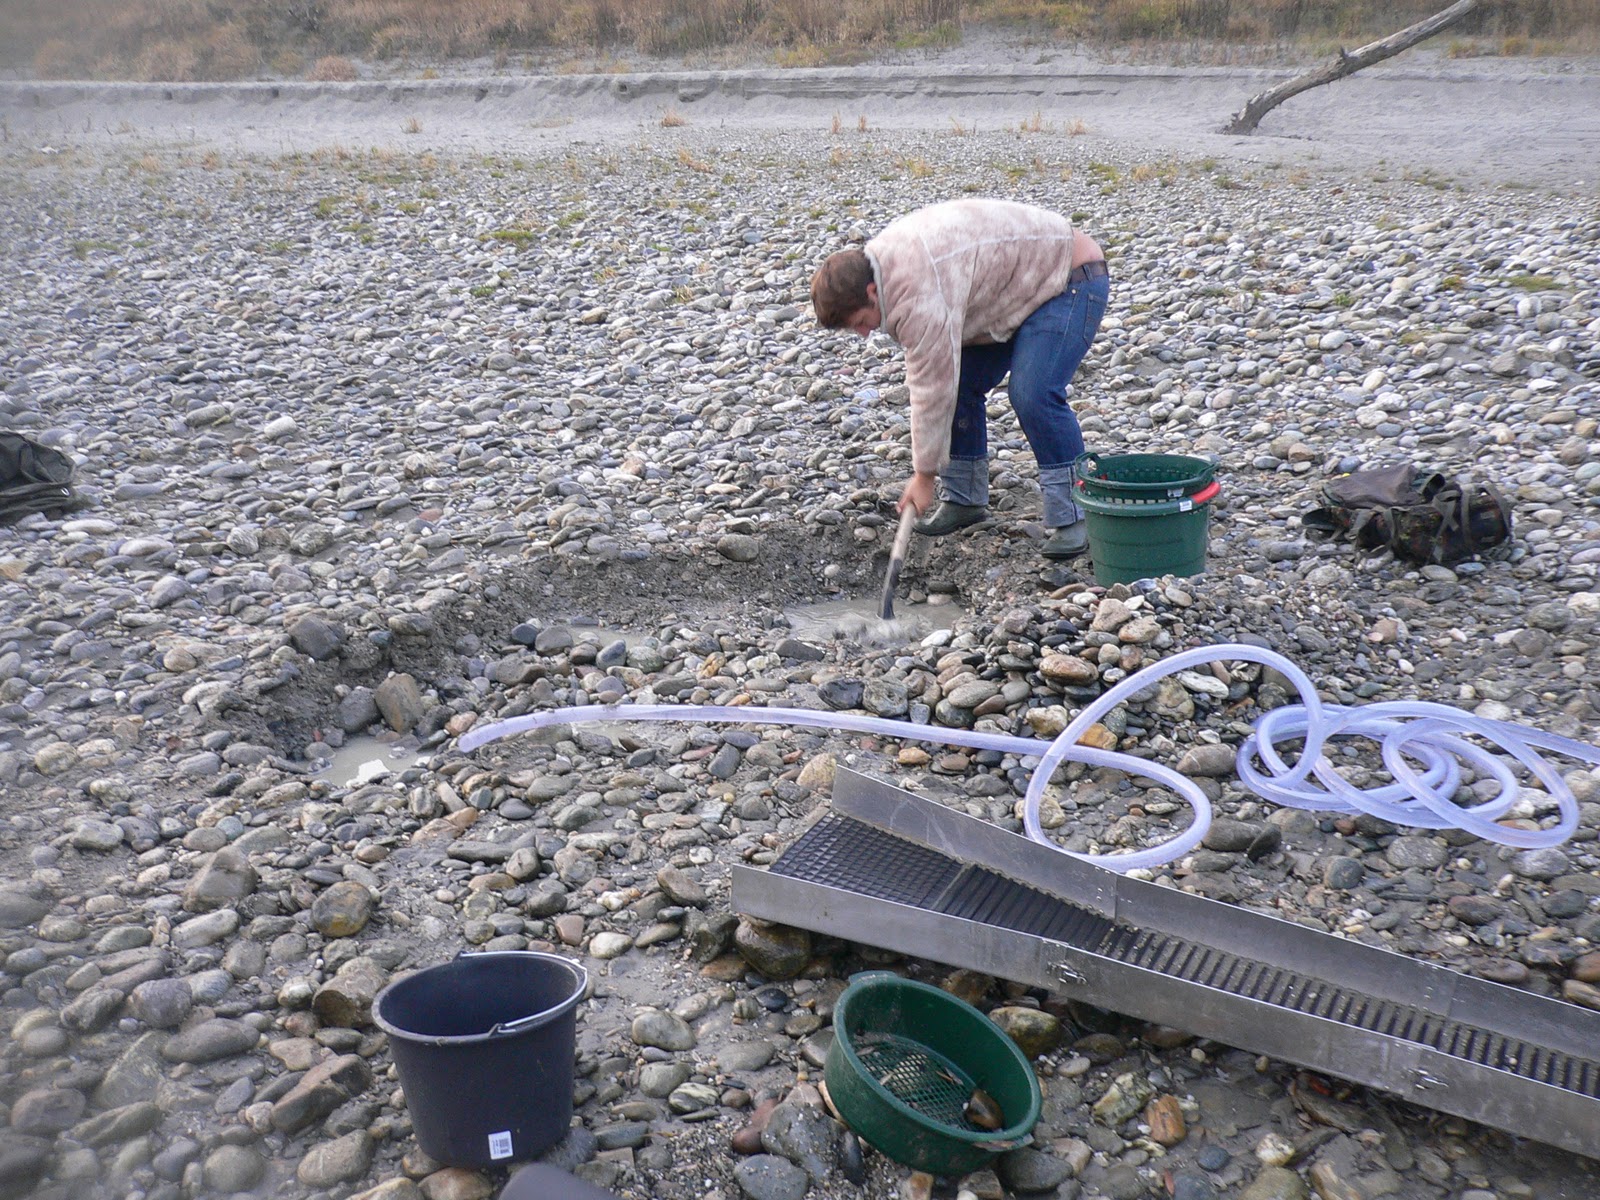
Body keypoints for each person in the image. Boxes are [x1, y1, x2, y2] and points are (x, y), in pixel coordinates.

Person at [810, 198, 1109, 559]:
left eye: (860, 322)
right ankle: (965, 501)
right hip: (1010, 291)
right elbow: (945, 379)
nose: (863, 334)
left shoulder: (915, 290)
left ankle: (1076, 514)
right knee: (961, 381)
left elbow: (930, 387)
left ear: (872, 293)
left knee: (1033, 393)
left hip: (1068, 279)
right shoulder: (879, 265)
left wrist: (924, 478)